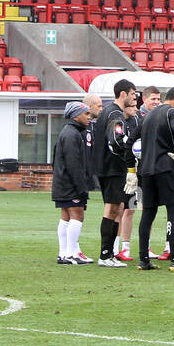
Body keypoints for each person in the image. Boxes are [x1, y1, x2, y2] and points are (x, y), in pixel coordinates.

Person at [137, 87, 174, 272]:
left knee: (148, 212)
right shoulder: (172, 113)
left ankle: (143, 259)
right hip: (165, 168)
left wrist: (133, 168)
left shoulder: (147, 115)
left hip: (146, 170)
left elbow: (132, 139)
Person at [94, 79, 138, 266]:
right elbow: (116, 139)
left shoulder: (109, 111)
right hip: (112, 167)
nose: (135, 98)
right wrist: (132, 151)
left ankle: (110, 253)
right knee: (112, 209)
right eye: (133, 94)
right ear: (123, 94)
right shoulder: (115, 114)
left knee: (118, 208)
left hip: (108, 167)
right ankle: (105, 255)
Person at [119, 85, 161, 262]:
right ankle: (125, 248)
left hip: (150, 172)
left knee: (148, 209)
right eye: (153, 99)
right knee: (130, 209)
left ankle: (147, 246)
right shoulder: (136, 118)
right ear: (144, 99)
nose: (156, 102)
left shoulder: (160, 117)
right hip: (135, 172)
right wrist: (131, 169)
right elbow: (129, 144)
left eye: (158, 99)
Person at [52, 102, 93, 264]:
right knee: (77, 215)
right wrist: (81, 187)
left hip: (62, 183)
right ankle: (70, 254)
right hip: (69, 184)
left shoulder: (68, 132)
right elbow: (73, 164)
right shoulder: (72, 134)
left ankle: (63, 254)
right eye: (86, 114)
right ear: (76, 115)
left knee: (65, 217)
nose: (89, 117)